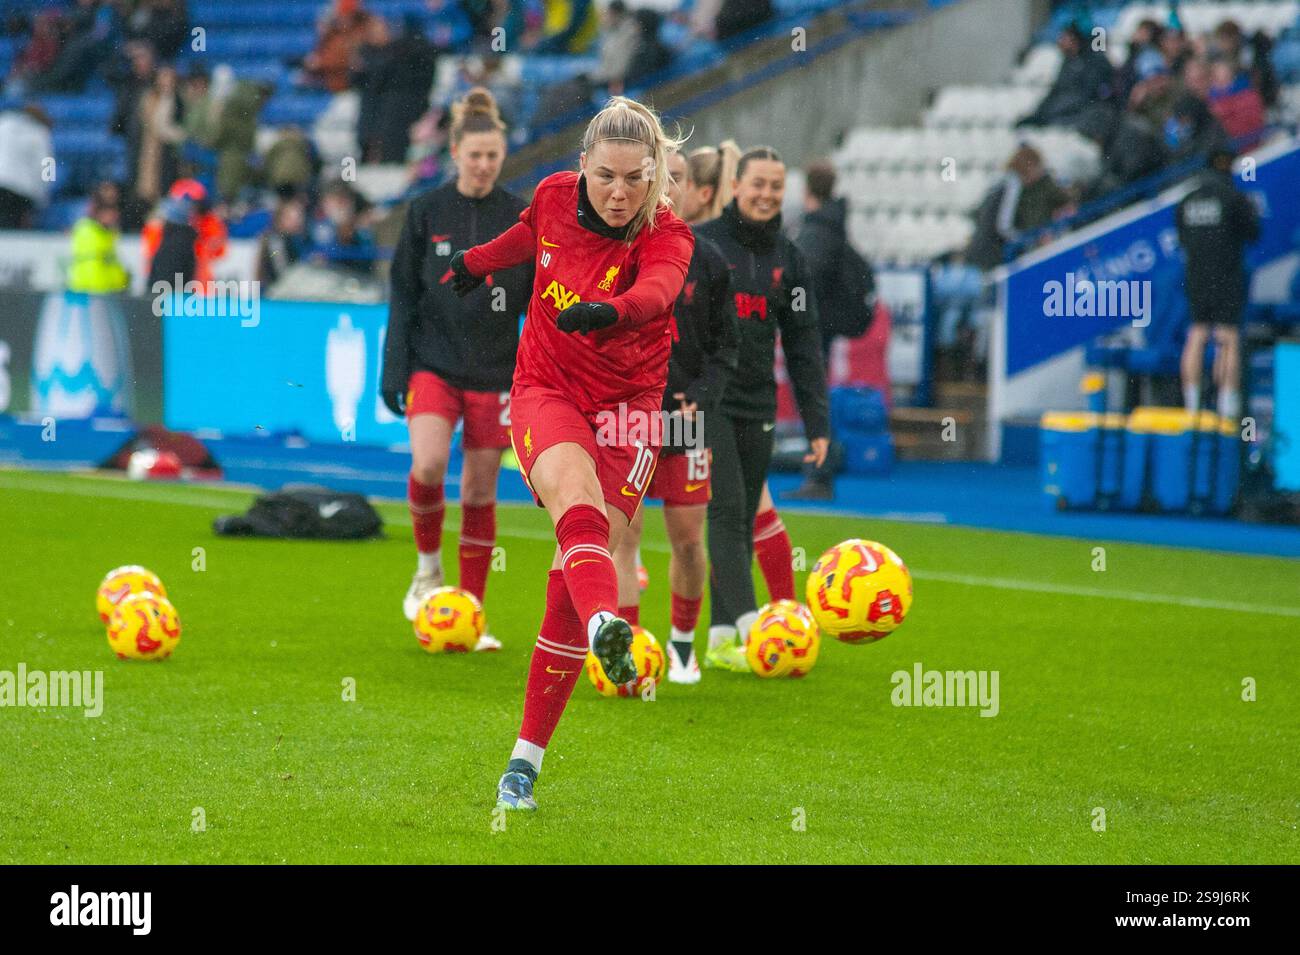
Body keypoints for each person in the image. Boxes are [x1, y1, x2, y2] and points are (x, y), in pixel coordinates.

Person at [447, 96, 694, 810]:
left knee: (571, 568)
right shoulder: (554, 196)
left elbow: (657, 294)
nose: (620, 193)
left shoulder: (669, 235)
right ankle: (605, 624)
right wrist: (477, 262)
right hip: (547, 385)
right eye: (606, 176)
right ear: (581, 166)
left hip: (629, 409)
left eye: (636, 179)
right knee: (573, 503)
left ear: (654, 178)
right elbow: (530, 233)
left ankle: (524, 760)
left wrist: (608, 313)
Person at [381, 87, 534, 647]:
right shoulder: (427, 211)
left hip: (495, 372)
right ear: (454, 152)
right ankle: (427, 571)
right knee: (426, 467)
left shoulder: (521, 216)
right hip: (433, 365)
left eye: (493, 155)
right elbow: (402, 295)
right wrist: (393, 369)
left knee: (478, 493)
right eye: (475, 155)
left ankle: (471, 610)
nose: (484, 164)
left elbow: (537, 304)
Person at [695, 146, 829, 672]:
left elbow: (803, 343)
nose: (766, 194)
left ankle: (722, 635)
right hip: (706, 401)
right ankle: (755, 626)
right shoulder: (703, 246)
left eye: (776, 186)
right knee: (726, 509)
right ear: (736, 186)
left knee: (746, 515)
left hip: (758, 402)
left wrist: (818, 422)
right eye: (758, 184)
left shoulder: (789, 259)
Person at [609, 146, 739, 684]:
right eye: (658, 180)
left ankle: (682, 644)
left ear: (689, 190)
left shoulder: (706, 261)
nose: (667, 190)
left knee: (687, 538)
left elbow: (725, 347)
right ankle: (628, 645)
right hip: (624, 415)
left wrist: (704, 396)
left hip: (684, 419)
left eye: (676, 180)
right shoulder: (613, 251)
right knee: (621, 533)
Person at [785, 158, 874, 501]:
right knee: (815, 400)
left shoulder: (816, 231)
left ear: (807, 189)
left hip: (812, 331)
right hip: (822, 327)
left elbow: (803, 282)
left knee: (812, 401)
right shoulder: (832, 225)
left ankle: (820, 475)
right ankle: (821, 471)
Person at [1176, 145, 1260, 423]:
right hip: (1226, 275)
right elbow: (1253, 233)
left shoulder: (1186, 201)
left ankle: (1191, 406)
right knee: (1228, 337)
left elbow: (1182, 239)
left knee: (1197, 334)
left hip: (1196, 276)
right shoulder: (1234, 198)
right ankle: (1227, 407)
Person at [0, 105, 54, 229]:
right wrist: (44, 196)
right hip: (21, 191)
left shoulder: (3, 123)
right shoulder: (40, 133)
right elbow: (47, 168)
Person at [68, 188, 129, 294]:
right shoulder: (89, 232)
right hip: (91, 294)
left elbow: (111, 263)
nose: (115, 216)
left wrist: (122, 281)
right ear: (100, 212)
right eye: (111, 211)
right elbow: (93, 269)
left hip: (105, 292)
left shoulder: (106, 233)